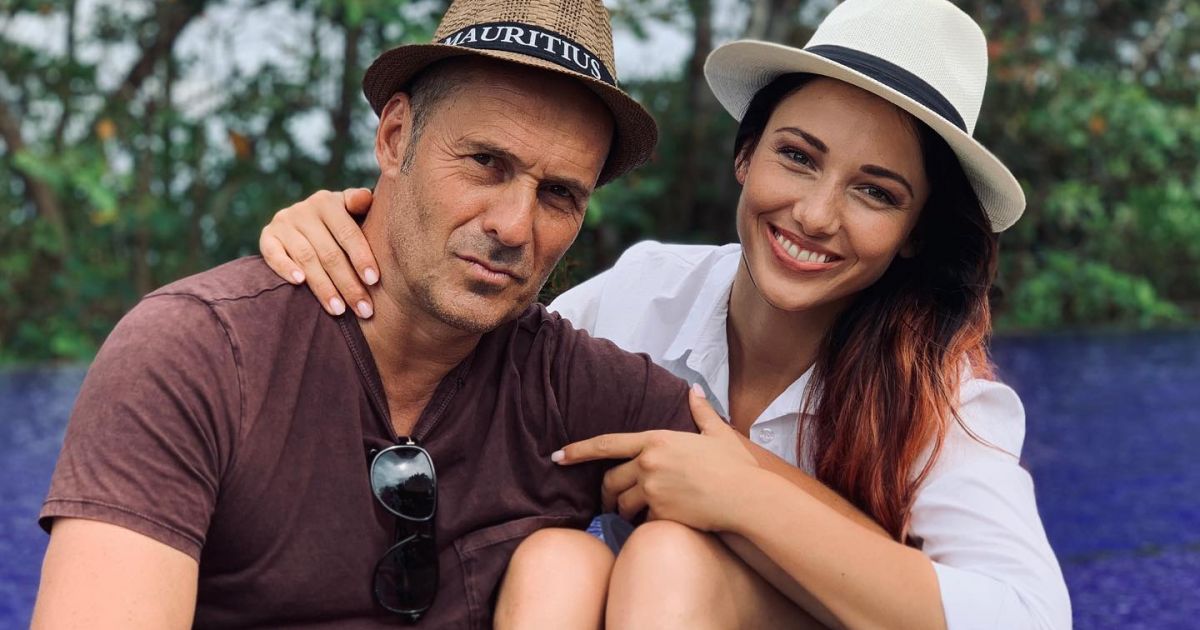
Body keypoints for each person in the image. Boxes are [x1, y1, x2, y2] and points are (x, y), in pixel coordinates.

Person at [32, 0, 858, 627]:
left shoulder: (566, 383)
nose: (512, 226)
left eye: (559, 195)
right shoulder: (200, 355)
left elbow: (828, 548)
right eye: (486, 163)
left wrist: (728, 506)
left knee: (566, 563)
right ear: (394, 139)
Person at [257, 0, 1073, 627]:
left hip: (694, 598)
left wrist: (746, 492)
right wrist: (349, 226)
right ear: (745, 156)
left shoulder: (944, 401)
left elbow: (1031, 616)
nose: (817, 215)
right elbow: (460, 355)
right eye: (798, 156)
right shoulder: (644, 295)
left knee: (671, 555)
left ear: (913, 233)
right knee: (554, 561)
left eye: (875, 191)